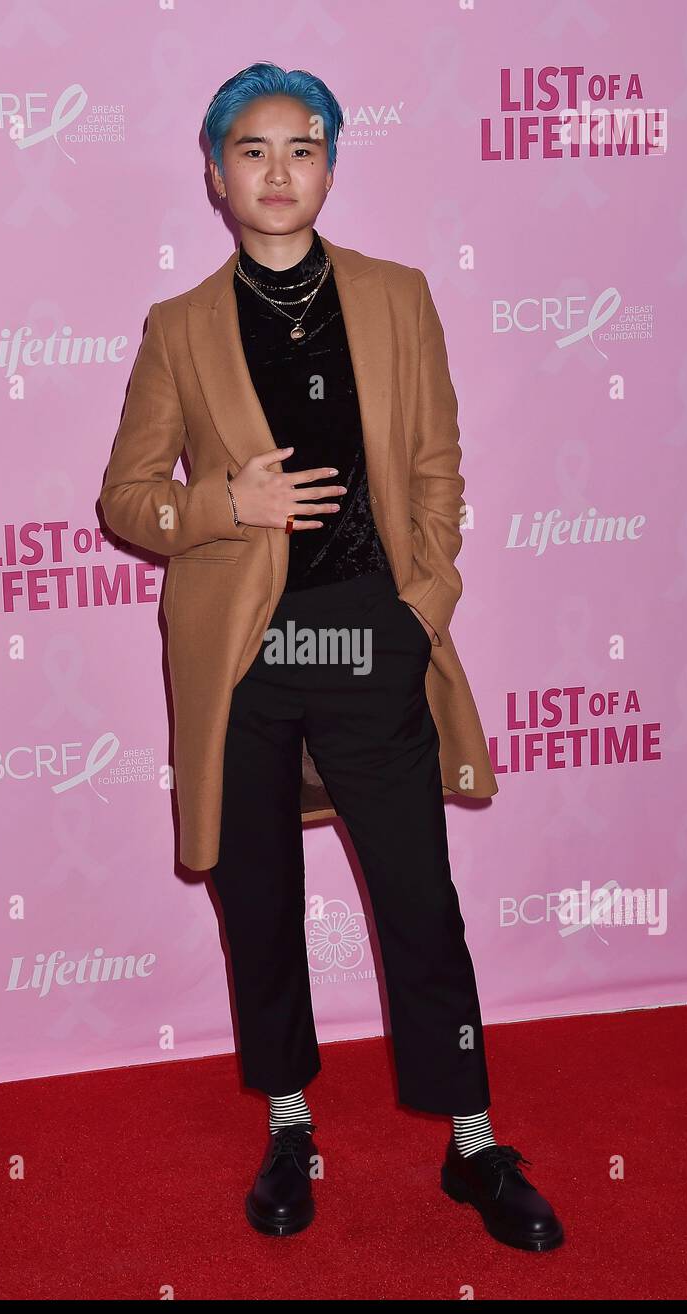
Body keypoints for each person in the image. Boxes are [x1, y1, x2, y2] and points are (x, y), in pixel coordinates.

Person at [99, 61, 563, 1253]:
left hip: (371, 633)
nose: (276, 170)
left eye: (301, 147)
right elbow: (125, 500)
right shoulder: (179, 328)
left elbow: (436, 471)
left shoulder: (398, 297)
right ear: (214, 174)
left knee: (418, 896)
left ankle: (472, 1144)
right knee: (259, 901)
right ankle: (292, 1125)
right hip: (242, 658)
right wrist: (225, 502)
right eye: (250, 150)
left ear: (330, 166)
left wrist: (422, 605)